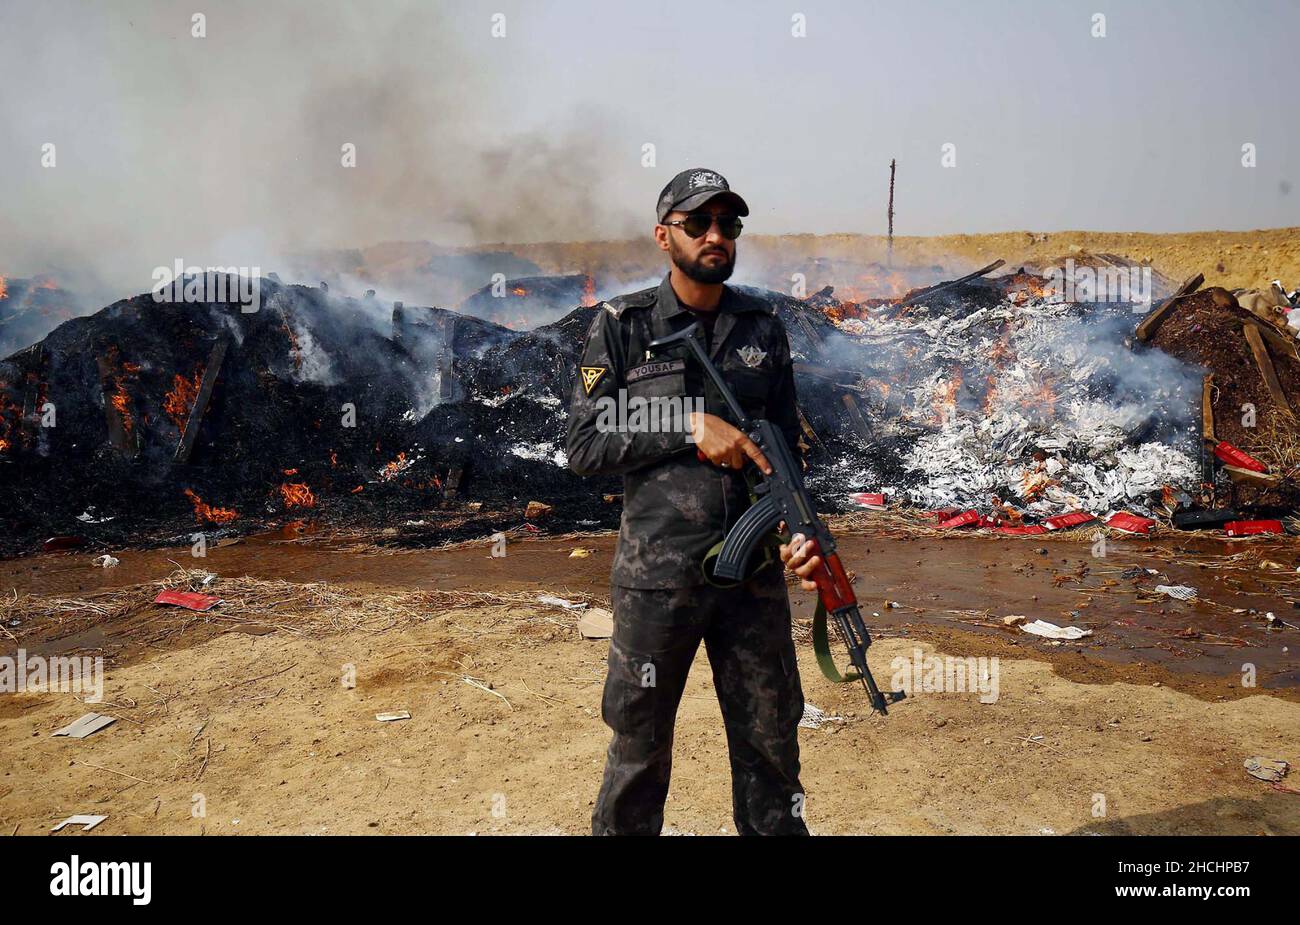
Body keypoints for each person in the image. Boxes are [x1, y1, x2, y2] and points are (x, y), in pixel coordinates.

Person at [566, 167, 821, 836]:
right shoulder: (622, 325)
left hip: (754, 580)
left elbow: (787, 449)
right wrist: (686, 424)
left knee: (773, 749)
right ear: (663, 235)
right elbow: (584, 443)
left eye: (728, 224)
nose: (716, 235)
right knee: (638, 753)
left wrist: (800, 532)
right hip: (658, 582)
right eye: (698, 223)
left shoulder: (764, 327)